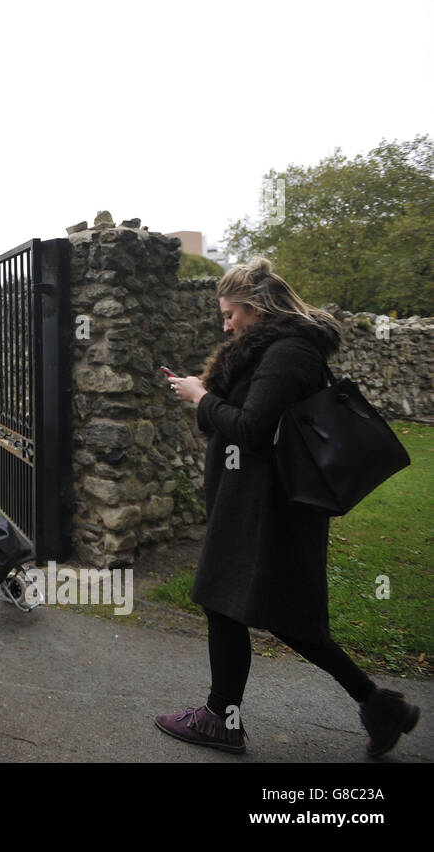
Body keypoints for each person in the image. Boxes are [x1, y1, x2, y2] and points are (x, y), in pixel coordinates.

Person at [156, 257, 420, 757]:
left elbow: (253, 429)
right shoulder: (277, 350)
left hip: (269, 507)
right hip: (261, 502)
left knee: (225, 600)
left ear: (256, 309)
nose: (226, 324)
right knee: (280, 614)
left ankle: (220, 718)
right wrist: (207, 394)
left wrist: (202, 396)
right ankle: (380, 705)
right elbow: (256, 417)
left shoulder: (288, 352)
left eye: (231, 313)